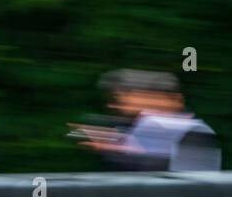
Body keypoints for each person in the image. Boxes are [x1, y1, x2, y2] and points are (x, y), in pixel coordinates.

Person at [70, 69, 221, 171]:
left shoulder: (182, 128)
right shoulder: (150, 125)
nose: (112, 105)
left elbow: (163, 171)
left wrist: (115, 149)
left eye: (119, 97)